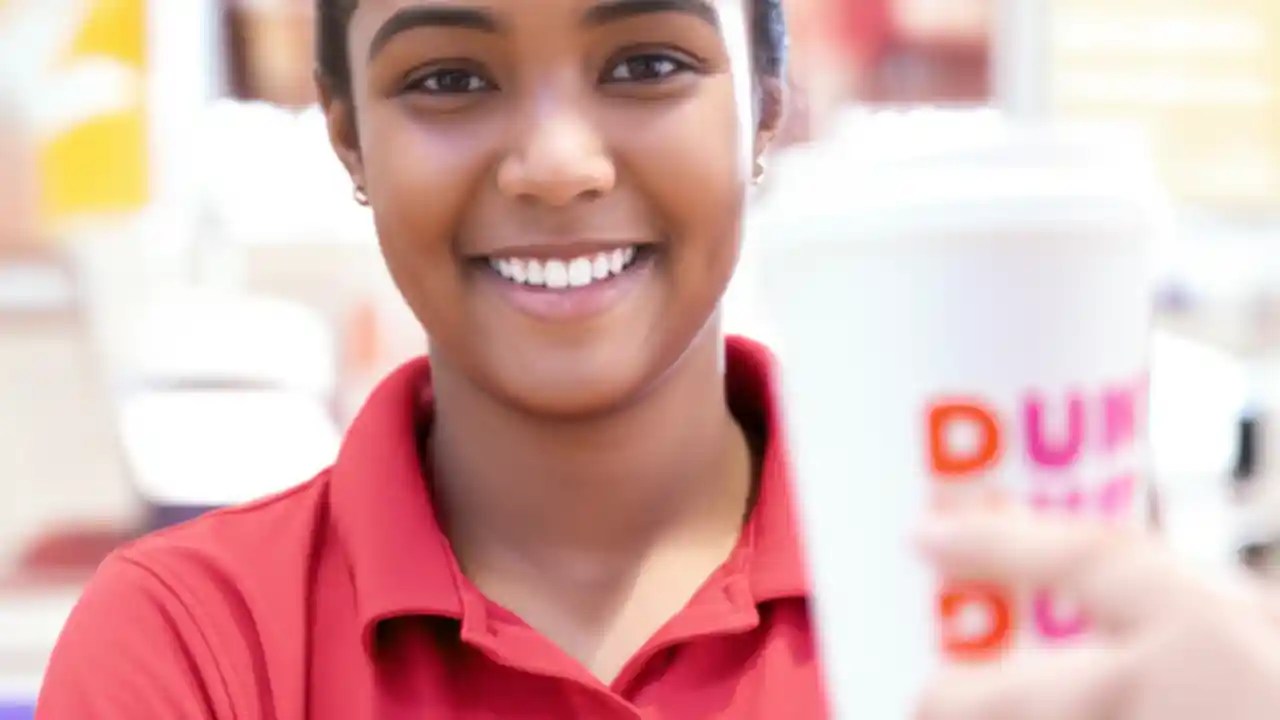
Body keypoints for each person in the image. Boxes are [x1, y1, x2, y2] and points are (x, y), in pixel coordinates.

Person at [35, 1, 1280, 718]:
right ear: (348, 137)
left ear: (767, 110)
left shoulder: (989, 591)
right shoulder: (198, 646)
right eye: (449, 77)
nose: (560, 162)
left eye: (646, 63)